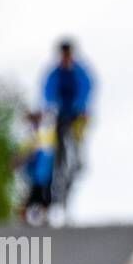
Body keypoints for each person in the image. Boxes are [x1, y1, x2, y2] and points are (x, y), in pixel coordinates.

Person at [43, 38, 93, 176]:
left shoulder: (80, 73)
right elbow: (48, 91)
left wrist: (82, 107)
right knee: (57, 136)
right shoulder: (55, 73)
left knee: (78, 134)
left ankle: (78, 158)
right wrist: (49, 106)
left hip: (78, 112)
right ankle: (58, 163)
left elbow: (86, 90)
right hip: (61, 111)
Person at [16, 110, 55, 225]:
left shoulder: (46, 132)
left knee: (44, 192)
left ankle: (43, 214)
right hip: (34, 170)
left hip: (45, 168)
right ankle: (27, 214)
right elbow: (25, 150)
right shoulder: (29, 133)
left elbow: (50, 150)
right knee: (34, 193)